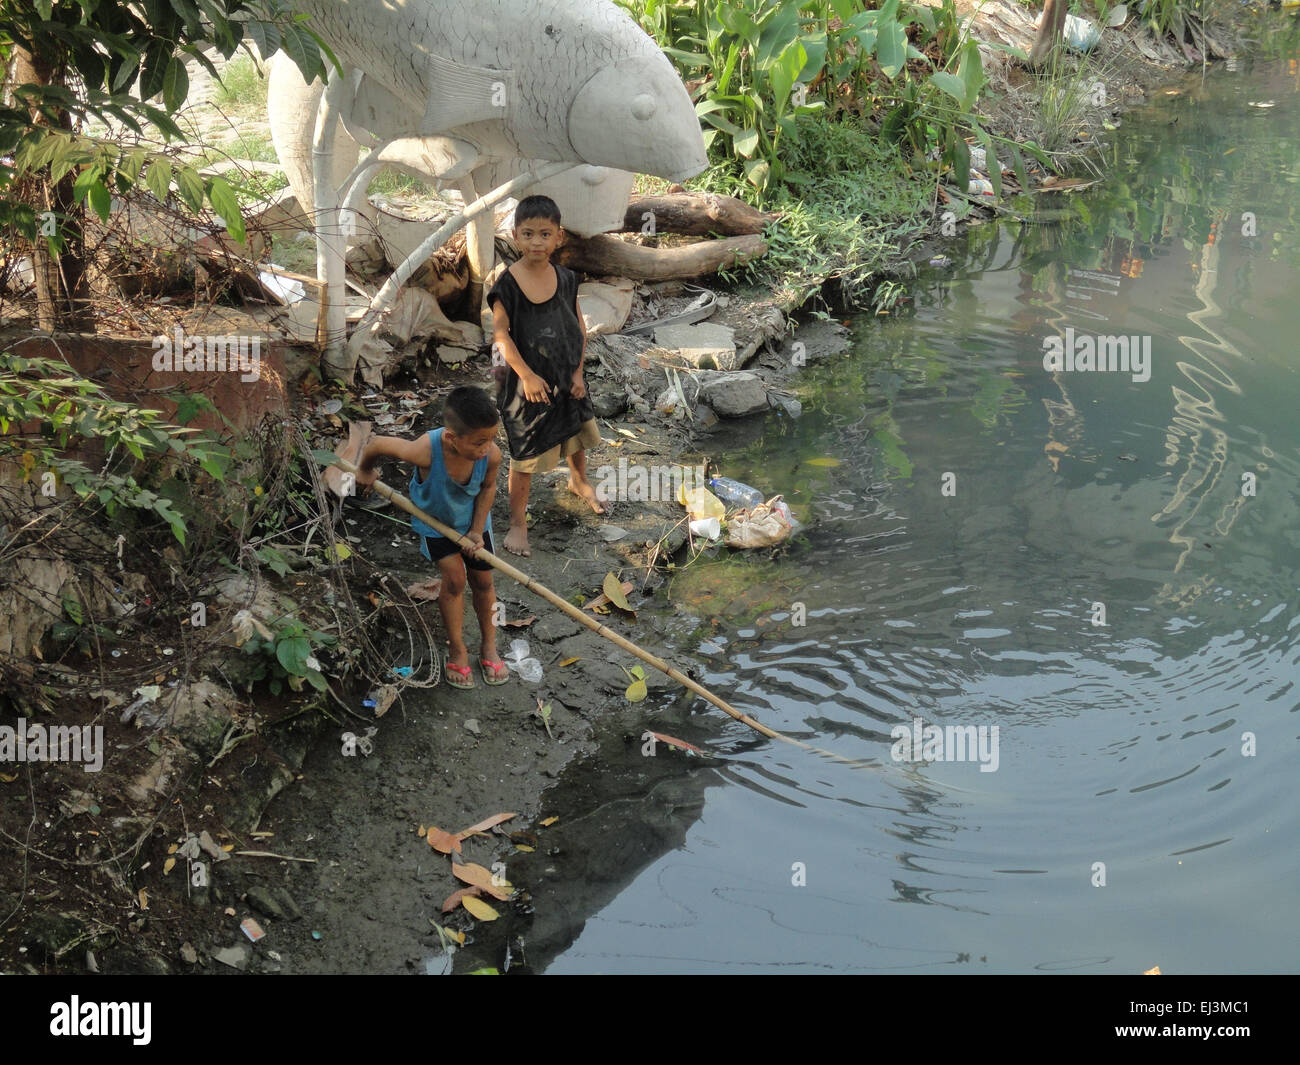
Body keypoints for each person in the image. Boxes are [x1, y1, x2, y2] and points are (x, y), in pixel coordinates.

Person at [353, 387, 508, 690]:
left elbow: (488, 489)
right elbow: (376, 443)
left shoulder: (490, 455)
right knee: (454, 581)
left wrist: (476, 531)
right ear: (452, 437)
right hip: (436, 524)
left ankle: (489, 646)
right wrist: (364, 471)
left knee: (484, 582)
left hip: (474, 523)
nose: (486, 447)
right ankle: (457, 648)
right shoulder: (425, 450)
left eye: (491, 439)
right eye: (479, 441)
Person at [487, 194, 605, 558]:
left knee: (577, 432)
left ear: (559, 237)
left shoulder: (567, 278)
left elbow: (579, 327)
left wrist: (578, 372)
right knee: (525, 455)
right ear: (514, 236)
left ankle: (579, 481)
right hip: (528, 387)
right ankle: (518, 523)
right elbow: (501, 336)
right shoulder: (507, 285)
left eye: (544, 234)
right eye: (528, 234)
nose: (536, 242)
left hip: (567, 377)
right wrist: (526, 375)